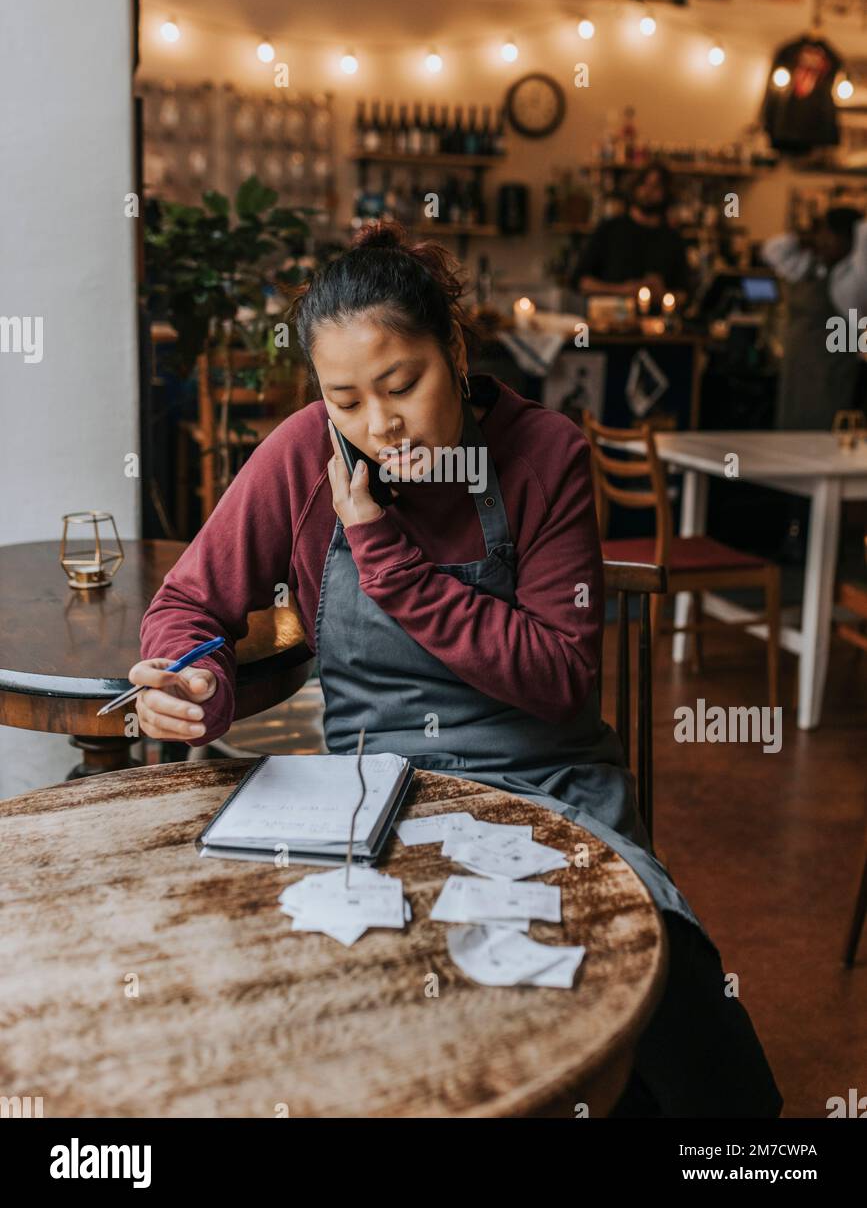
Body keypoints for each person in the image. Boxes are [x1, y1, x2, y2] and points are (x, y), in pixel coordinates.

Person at [130, 221, 782, 1119]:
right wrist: (189, 686)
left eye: (402, 385)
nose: (377, 425)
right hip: (376, 799)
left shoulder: (543, 452)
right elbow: (186, 607)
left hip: (549, 788)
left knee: (698, 1058)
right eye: (345, 400)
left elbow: (560, 675)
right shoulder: (301, 456)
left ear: (456, 350)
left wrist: (389, 564)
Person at [763, 206, 867, 430]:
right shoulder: (807, 265)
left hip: (829, 373)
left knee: (819, 437)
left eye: (830, 236)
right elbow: (771, 250)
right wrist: (805, 238)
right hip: (796, 367)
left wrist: (860, 234)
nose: (824, 241)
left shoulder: (849, 279)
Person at [571, 161, 690, 307]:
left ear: (666, 193)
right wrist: (624, 290)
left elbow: (684, 295)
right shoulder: (609, 229)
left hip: (655, 324)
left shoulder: (673, 239)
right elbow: (580, 282)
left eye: (656, 187)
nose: (648, 191)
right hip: (609, 320)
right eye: (644, 184)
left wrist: (663, 294)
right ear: (635, 187)